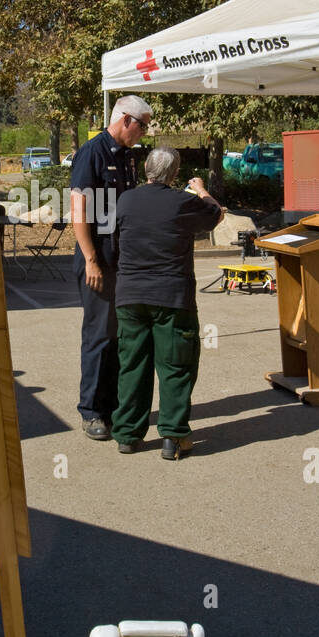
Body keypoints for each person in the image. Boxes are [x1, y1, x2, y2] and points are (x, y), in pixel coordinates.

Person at [110, 148, 223, 459]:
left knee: (133, 366)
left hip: (130, 295)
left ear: (146, 169)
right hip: (172, 296)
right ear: (174, 174)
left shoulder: (126, 200)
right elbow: (216, 215)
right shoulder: (183, 201)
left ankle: (128, 435)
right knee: (175, 366)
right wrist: (200, 189)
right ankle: (172, 436)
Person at [69, 95, 150, 440]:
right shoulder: (93, 152)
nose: (144, 133)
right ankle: (92, 412)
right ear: (127, 119)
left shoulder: (128, 157)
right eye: (143, 125)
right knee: (100, 335)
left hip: (122, 258)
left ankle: (113, 406)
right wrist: (90, 259)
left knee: (120, 335)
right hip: (98, 257)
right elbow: (79, 211)